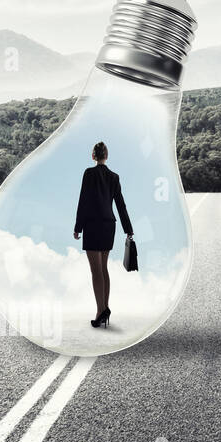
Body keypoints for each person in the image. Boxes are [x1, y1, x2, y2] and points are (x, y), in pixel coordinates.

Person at [73, 141, 133, 329]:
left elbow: (83, 201)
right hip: (109, 225)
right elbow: (121, 205)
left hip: (92, 224)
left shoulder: (89, 174)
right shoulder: (114, 177)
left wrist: (78, 227)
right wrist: (128, 229)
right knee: (103, 268)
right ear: (106, 156)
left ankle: (100, 311)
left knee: (96, 271)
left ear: (93, 156)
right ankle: (104, 308)